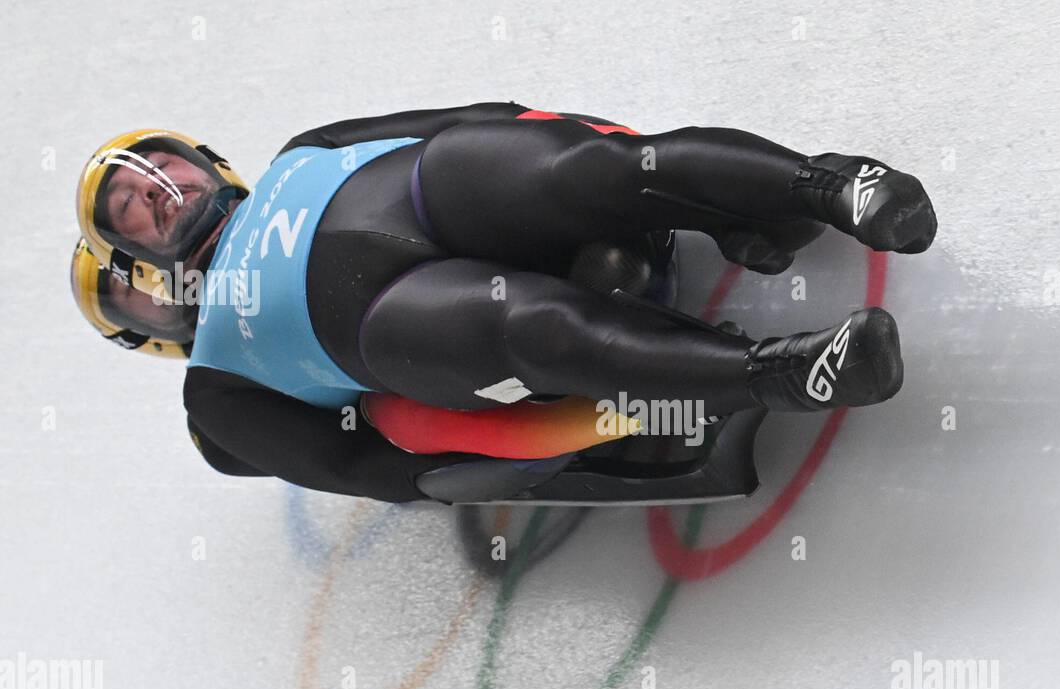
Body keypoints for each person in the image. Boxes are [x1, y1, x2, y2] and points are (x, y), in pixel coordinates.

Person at [73, 105, 936, 502]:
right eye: (128, 208)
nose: (153, 193)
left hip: (426, 186)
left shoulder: (302, 149)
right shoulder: (215, 388)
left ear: (201, 156)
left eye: (158, 169)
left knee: (590, 171)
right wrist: (492, 459)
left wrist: (608, 147)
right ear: (140, 261)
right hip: (393, 316)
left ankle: (831, 186)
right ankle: (780, 372)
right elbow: (351, 462)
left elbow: (466, 116)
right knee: (537, 328)